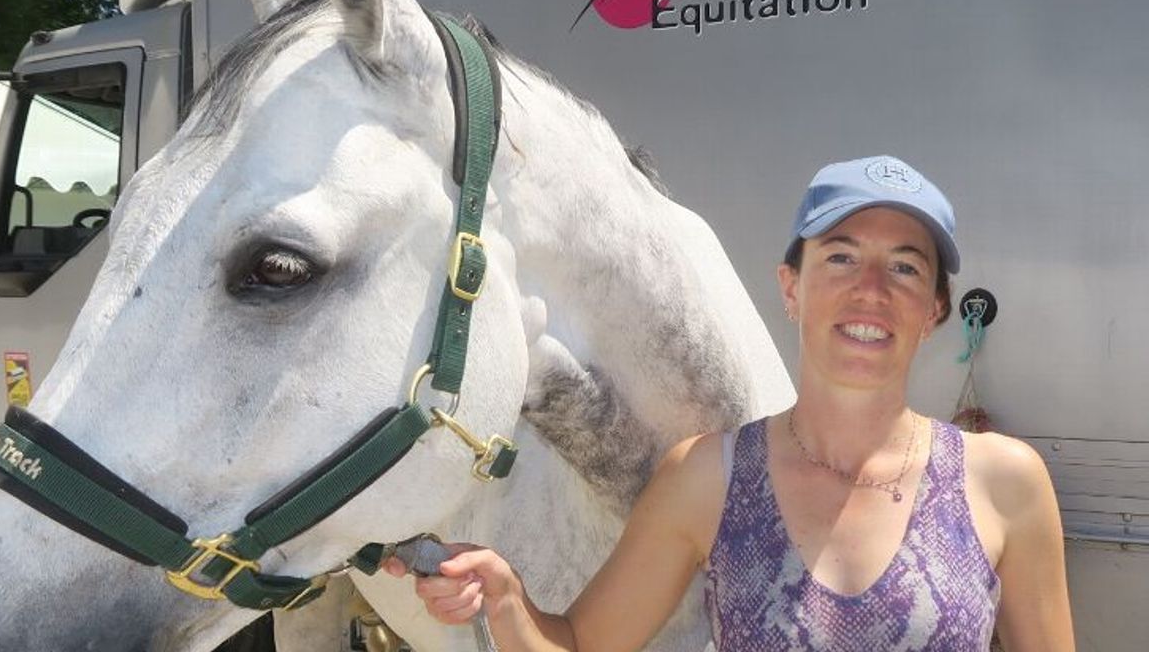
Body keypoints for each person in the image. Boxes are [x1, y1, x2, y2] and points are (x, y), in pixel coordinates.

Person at [384, 154, 1074, 651]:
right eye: (839, 256)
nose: (871, 288)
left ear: (932, 311)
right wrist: (505, 597)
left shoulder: (1004, 482)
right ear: (791, 287)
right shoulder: (707, 477)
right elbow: (581, 647)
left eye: (904, 266)